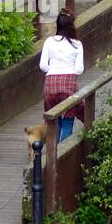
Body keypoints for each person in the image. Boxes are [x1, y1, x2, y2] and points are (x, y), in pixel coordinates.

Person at [40, 9, 85, 141]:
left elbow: (43, 66)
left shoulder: (49, 41)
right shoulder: (77, 44)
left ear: (58, 25)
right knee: (67, 121)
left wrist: (54, 69)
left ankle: (53, 153)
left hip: (51, 84)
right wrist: (68, 70)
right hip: (68, 84)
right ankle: (61, 156)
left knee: (54, 121)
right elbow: (79, 69)